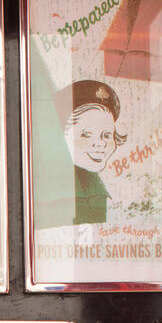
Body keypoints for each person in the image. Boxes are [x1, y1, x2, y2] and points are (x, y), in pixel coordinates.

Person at [59, 79, 126, 226]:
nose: (100, 143)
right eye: (86, 134)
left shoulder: (92, 181)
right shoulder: (58, 187)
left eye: (107, 135)